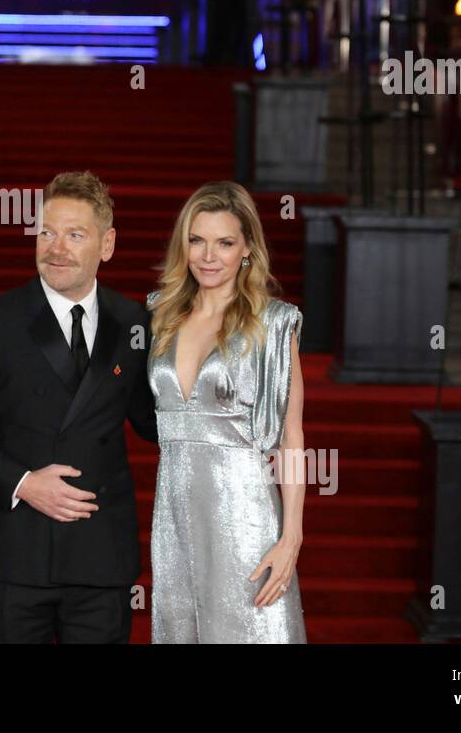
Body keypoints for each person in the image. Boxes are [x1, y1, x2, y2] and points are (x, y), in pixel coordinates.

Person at [0, 171, 158, 643]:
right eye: (46, 232)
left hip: (101, 554)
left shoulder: (135, 322)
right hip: (16, 550)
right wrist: (22, 482)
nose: (56, 248)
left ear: (107, 243)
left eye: (75, 235)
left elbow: (154, 423)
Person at [146, 181, 307, 643]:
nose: (208, 256)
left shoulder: (274, 324)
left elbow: (291, 437)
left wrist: (290, 537)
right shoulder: (160, 315)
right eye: (197, 240)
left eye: (224, 242)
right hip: (174, 517)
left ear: (247, 250)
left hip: (247, 515)